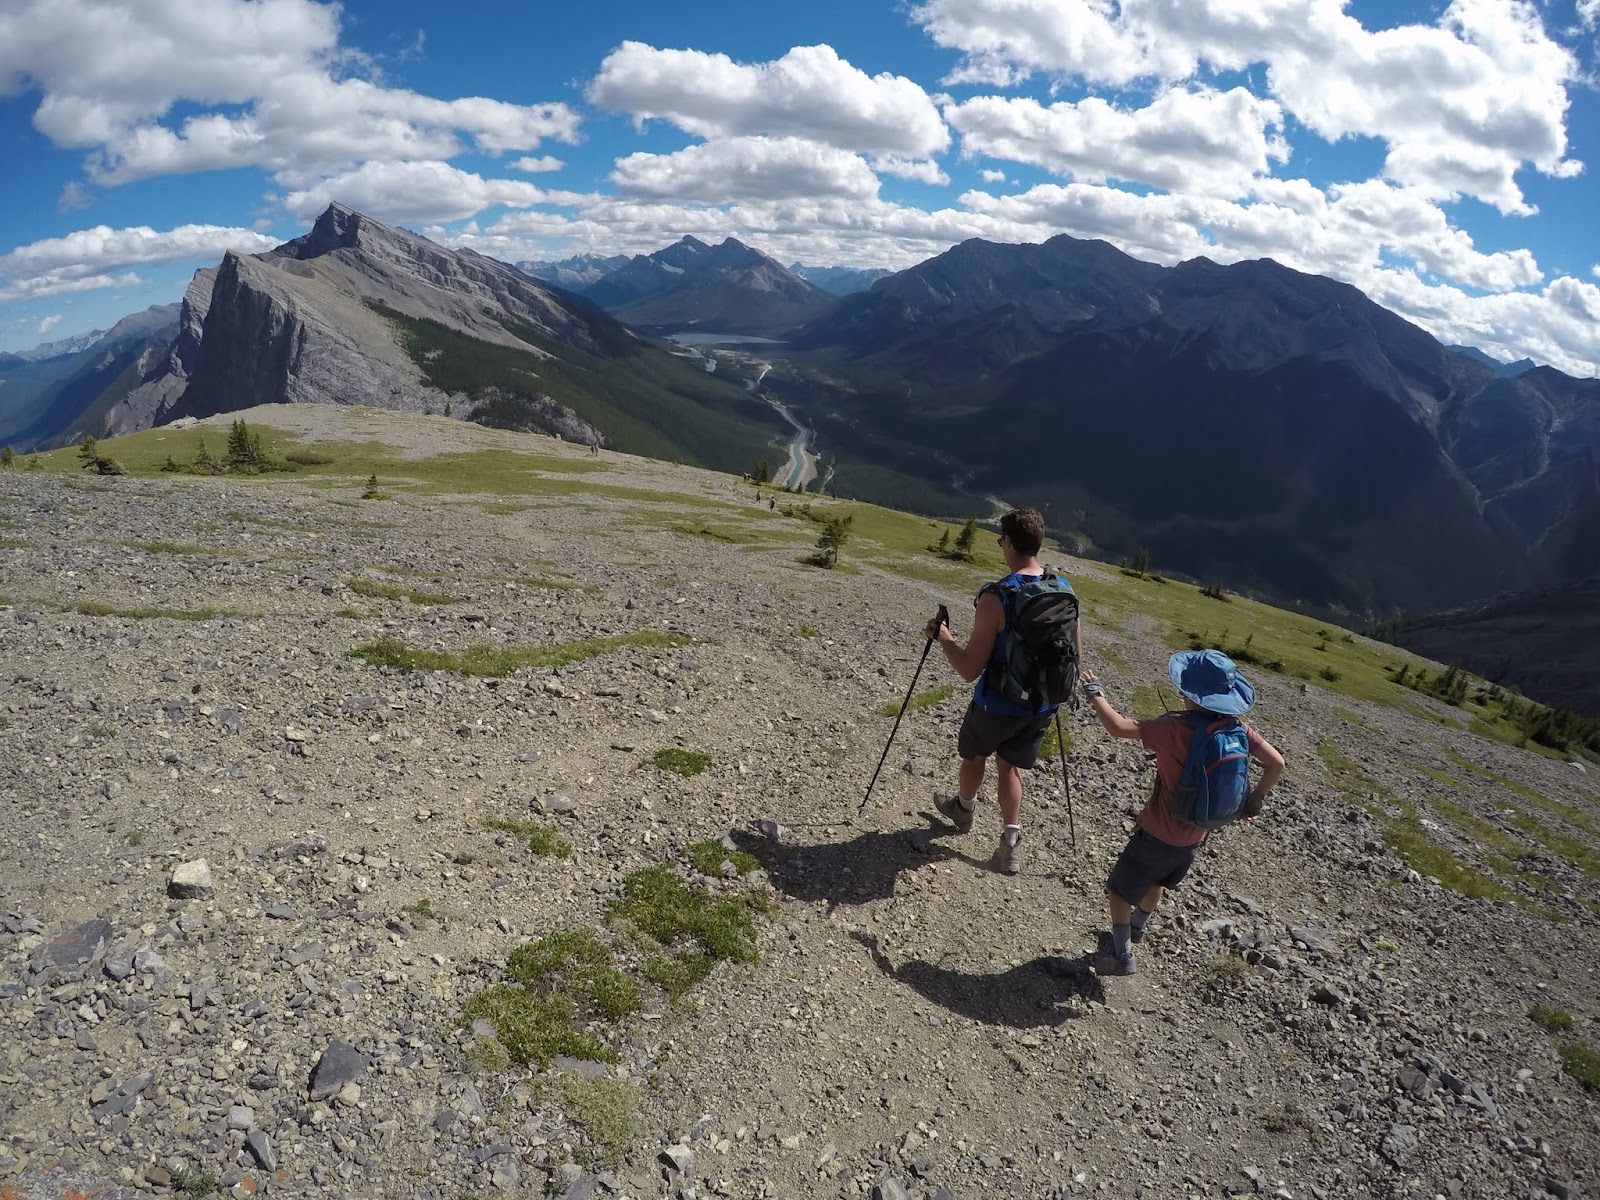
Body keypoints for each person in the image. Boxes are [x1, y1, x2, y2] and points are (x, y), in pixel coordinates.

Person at [1080, 650, 1285, 977]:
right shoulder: (1238, 730)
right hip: (1195, 836)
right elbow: (1277, 763)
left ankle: (1122, 955)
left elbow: (1117, 727)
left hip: (1155, 831)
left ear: (1188, 693)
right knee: (1158, 880)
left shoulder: (1173, 729)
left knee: (1119, 891)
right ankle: (1138, 927)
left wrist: (1096, 694)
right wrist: (1253, 801)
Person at [924, 507, 1080, 874]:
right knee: (1010, 768)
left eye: (1000, 540)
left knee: (975, 756)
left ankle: (963, 809)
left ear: (1008, 543)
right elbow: (1075, 653)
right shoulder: (1063, 588)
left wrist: (943, 637)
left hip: (997, 703)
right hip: (1042, 705)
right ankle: (1010, 844)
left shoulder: (997, 597)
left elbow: (968, 670)